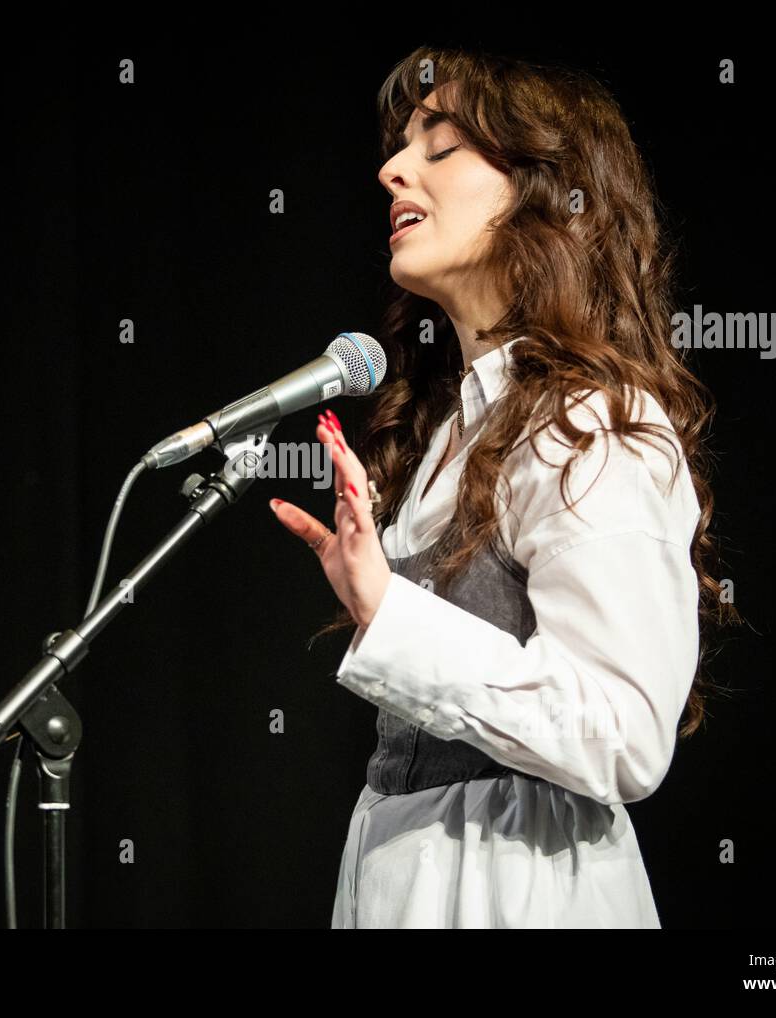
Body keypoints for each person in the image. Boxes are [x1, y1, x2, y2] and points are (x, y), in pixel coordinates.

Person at [269, 48, 737, 928]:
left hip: (516, 888)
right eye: (403, 148)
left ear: (545, 191)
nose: (392, 169)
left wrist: (395, 615)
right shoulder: (451, 431)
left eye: (439, 148)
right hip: (397, 875)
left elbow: (624, 734)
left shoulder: (590, 420)